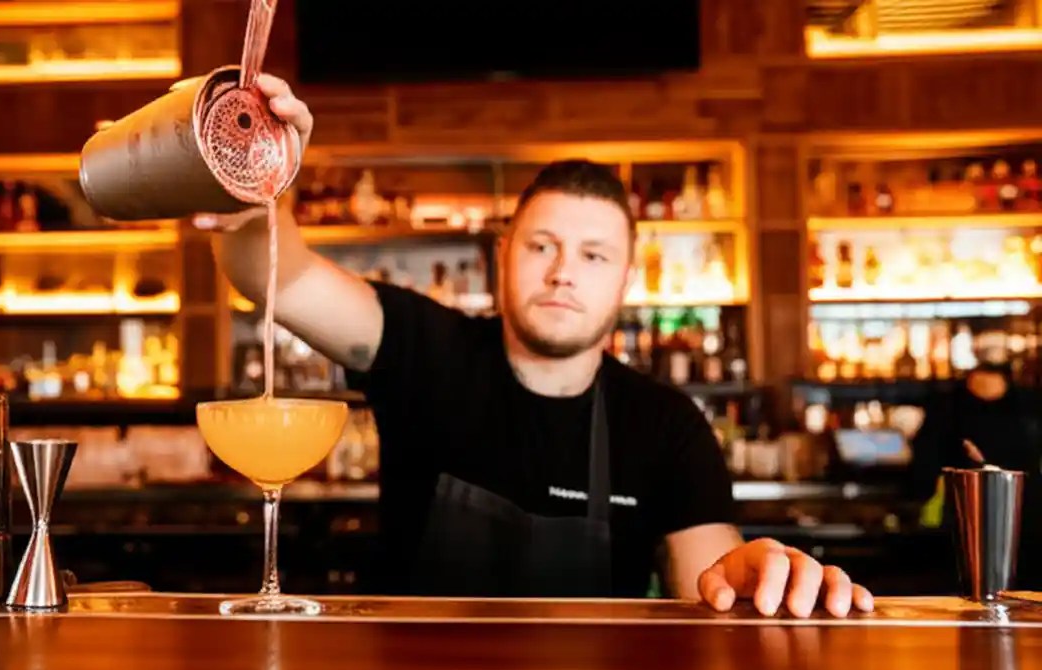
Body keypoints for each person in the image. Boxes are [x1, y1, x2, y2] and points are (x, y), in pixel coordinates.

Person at [194, 74, 875, 618]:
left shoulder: (666, 426)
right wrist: (262, 175)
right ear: (502, 256)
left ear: (626, 281)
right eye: (542, 246)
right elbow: (273, 276)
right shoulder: (424, 347)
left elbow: (712, 577)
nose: (563, 272)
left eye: (594, 254)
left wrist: (751, 576)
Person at [909, 356, 1042, 590]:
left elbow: (922, 469)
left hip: (974, 528)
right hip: (1001, 526)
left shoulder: (947, 406)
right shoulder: (1028, 406)